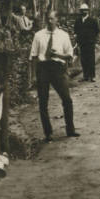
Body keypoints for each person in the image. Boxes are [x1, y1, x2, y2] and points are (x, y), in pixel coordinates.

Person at [29, 10, 80, 142]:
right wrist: (34, 75)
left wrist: (57, 55)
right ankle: (48, 133)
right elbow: (34, 56)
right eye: (48, 19)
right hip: (43, 68)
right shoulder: (38, 35)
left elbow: (69, 55)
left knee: (67, 100)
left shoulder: (63, 35)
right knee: (43, 102)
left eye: (52, 19)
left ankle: (70, 129)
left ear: (57, 20)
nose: (49, 21)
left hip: (58, 68)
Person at [73, 2, 100, 82]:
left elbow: (97, 31)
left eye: (85, 10)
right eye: (82, 10)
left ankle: (92, 76)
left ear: (88, 11)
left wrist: (94, 39)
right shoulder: (78, 21)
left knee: (91, 59)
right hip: (82, 43)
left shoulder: (92, 20)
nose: (84, 12)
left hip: (90, 43)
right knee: (83, 60)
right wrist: (77, 41)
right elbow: (76, 32)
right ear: (80, 11)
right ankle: (85, 76)